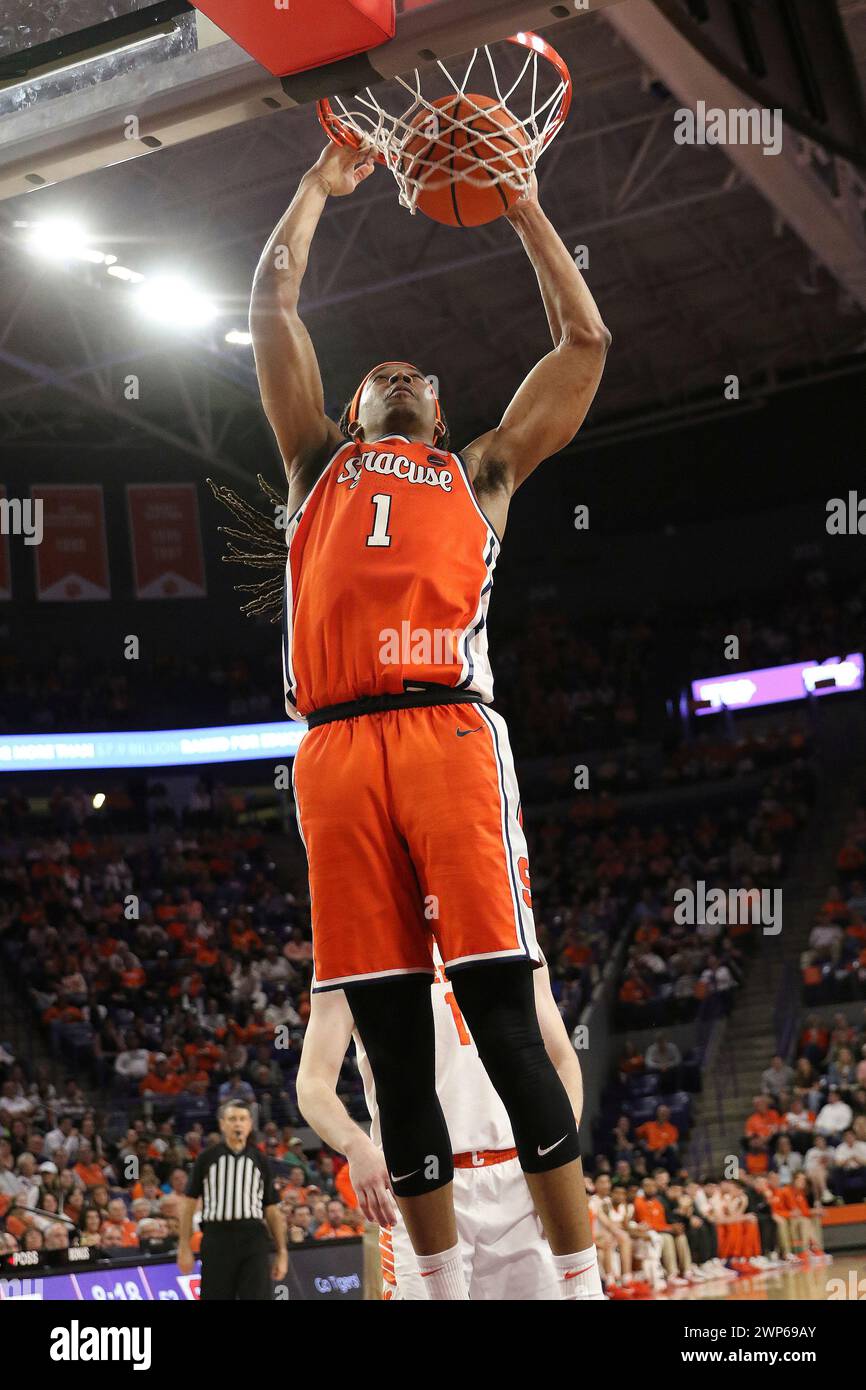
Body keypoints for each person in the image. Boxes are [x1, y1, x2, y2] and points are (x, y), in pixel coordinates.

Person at [219, 134, 610, 1302]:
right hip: (334, 747)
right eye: (381, 373)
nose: (402, 372)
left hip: (444, 730)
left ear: (437, 418)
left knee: (497, 1011)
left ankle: (577, 1281)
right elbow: (271, 301)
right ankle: (438, 1289)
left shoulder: (481, 473)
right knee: (393, 1039)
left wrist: (526, 209)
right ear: (350, 410)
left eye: (422, 377)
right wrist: (314, 187)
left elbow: (583, 343)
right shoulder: (310, 466)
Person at [297, 949, 602, 1300]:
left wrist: (556, 1159)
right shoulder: (353, 954)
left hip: (521, 1177)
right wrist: (356, 1146)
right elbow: (312, 1083)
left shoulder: (506, 935)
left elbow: (562, 1058)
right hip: (422, 1186)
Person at [178, 1100, 287, 1300]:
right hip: (217, 1237)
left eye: (242, 1119)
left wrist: (282, 1251)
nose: (238, 1124)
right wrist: (184, 1245)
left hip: (253, 1236)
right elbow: (189, 1204)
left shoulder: (260, 1159)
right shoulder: (207, 1158)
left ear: (250, 1124)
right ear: (222, 1124)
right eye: (232, 1119)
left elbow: (271, 1209)